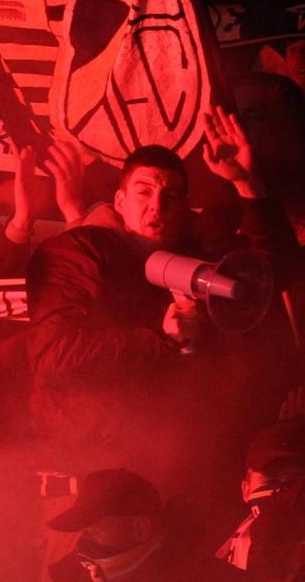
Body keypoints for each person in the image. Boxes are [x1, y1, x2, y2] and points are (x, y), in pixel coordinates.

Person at [25, 108, 301, 570]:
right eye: (144, 191)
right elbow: (56, 356)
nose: (157, 205)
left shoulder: (197, 259)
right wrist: (159, 337)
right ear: (119, 198)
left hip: (183, 481)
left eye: (171, 196)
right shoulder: (78, 254)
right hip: (99, 481)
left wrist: (249, 186)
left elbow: (270, 276)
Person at [45, 468, 245, 582]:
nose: (83, 541)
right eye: (83, 531)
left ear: (140, 528)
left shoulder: (209, 578)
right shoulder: (70, 576)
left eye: (93, 532)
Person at [216, 415, 305, 580]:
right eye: (270, 478)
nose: (282, 491)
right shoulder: (217, 559)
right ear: (245, 489)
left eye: (294, 481)